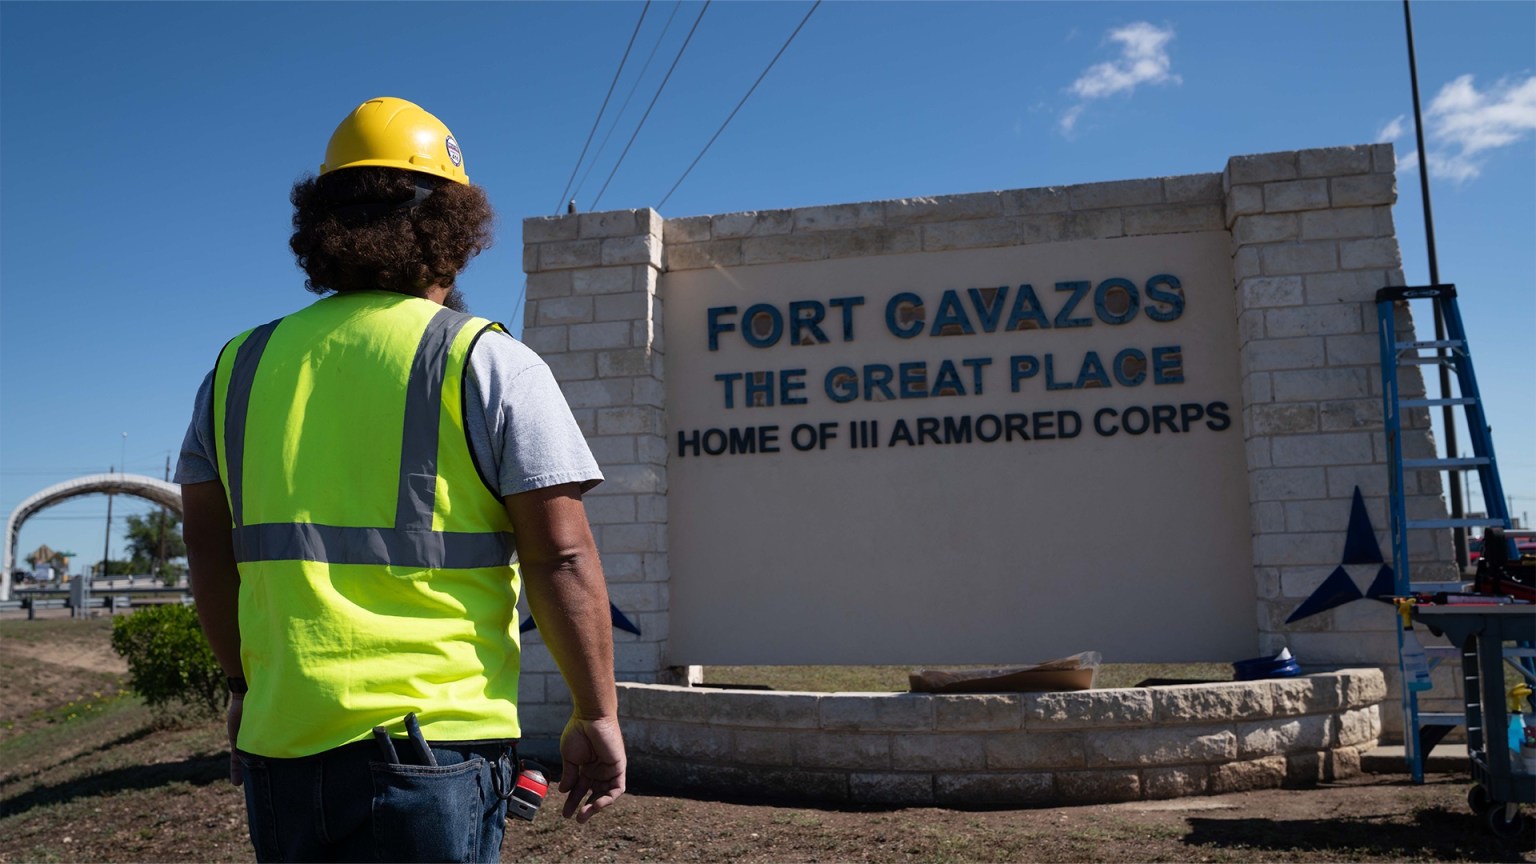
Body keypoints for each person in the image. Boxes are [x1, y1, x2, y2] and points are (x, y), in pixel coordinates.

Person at [177, 96, 625, 862]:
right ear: (452, 227)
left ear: (323, 224)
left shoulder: (238, 370)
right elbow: (562, 556)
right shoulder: (488, 360)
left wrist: (244, 690)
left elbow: (211, 559)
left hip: (282, 750)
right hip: (435, 752)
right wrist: (597, 713)